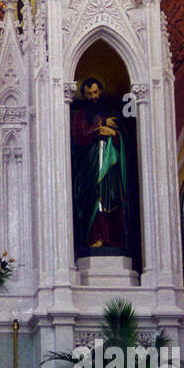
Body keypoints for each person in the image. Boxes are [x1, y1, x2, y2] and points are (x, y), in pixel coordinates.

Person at [71, 77, 127, 253]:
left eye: (95, 93)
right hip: (90, 164)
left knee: (111, 196)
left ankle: (112, 237)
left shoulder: (111, 110)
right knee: (93, 198)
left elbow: (126, 137)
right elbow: (79, 136)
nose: (93, 97)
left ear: (100, 91)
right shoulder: (80, 114)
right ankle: (94, 237)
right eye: (89, 94)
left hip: (110, 163)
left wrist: (114, 133)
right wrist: (99, 128)